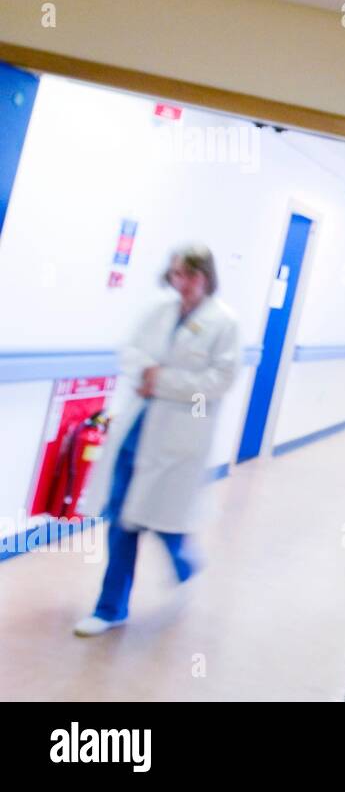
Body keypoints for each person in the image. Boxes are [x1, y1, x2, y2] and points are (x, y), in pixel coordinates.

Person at [73, 244, 240, 636]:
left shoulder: (224, 322)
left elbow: (221, 380)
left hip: (183, 431)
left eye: (190, 275)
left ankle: (183, 563)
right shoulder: (158, 311)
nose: (182, 283)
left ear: (205, 277)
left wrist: (163, 381)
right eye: (178, 274)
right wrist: (146, 369)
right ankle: (111, 608)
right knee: (124, 516)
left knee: (160, 517)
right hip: (138, 427)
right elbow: (128, 350)